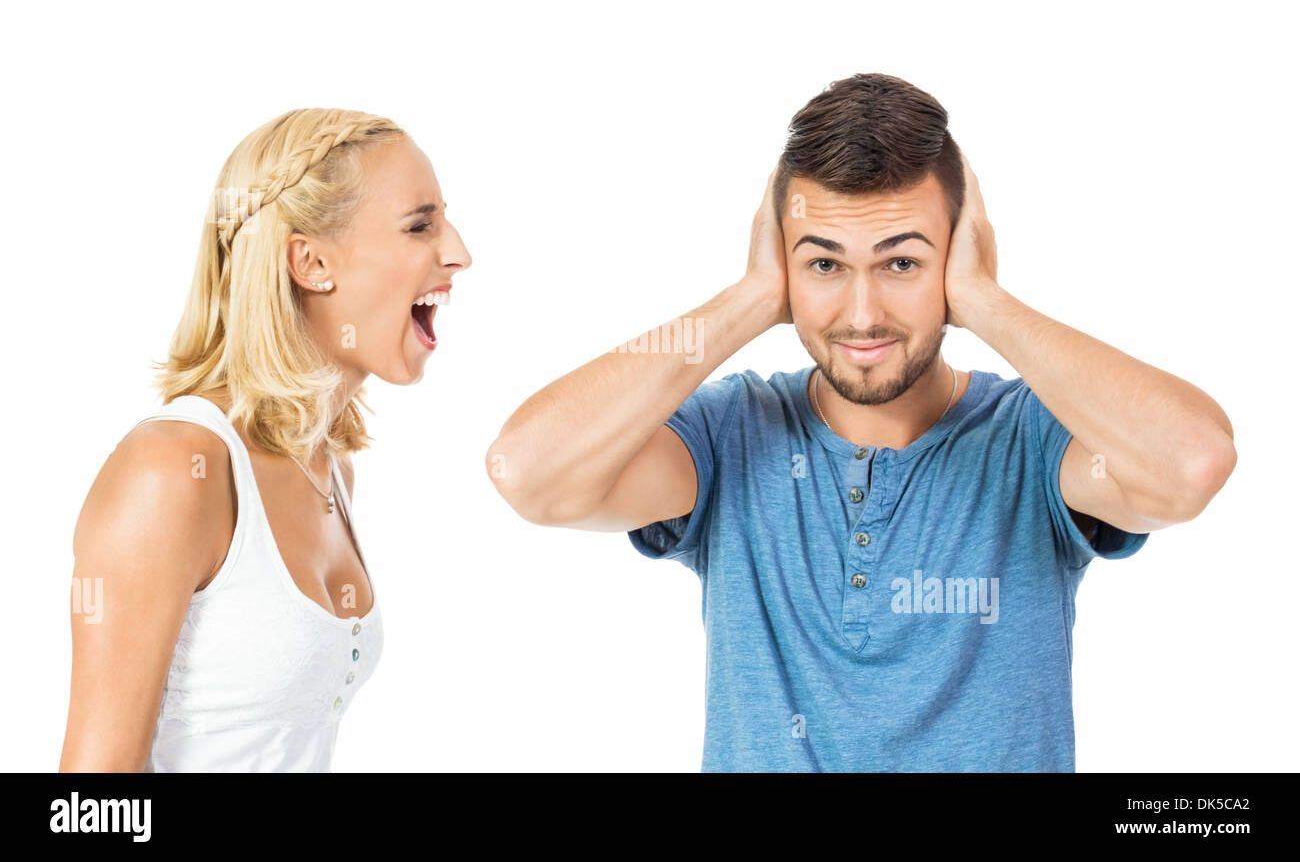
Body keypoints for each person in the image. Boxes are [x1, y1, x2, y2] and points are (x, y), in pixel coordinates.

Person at [486, 73, 1237, 771]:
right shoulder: (728, 436)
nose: (863, 313)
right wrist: (748, 298)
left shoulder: (1034, 442)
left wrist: (987, 303)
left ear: (957, 257)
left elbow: (1192, 464)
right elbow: (531, 474)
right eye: (824, 265)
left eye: (902, 263)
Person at [60, 109, 471, 771]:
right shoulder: (174, 471)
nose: (458, 252)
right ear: (310, 263)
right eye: (420, 225)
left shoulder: (329, 468)